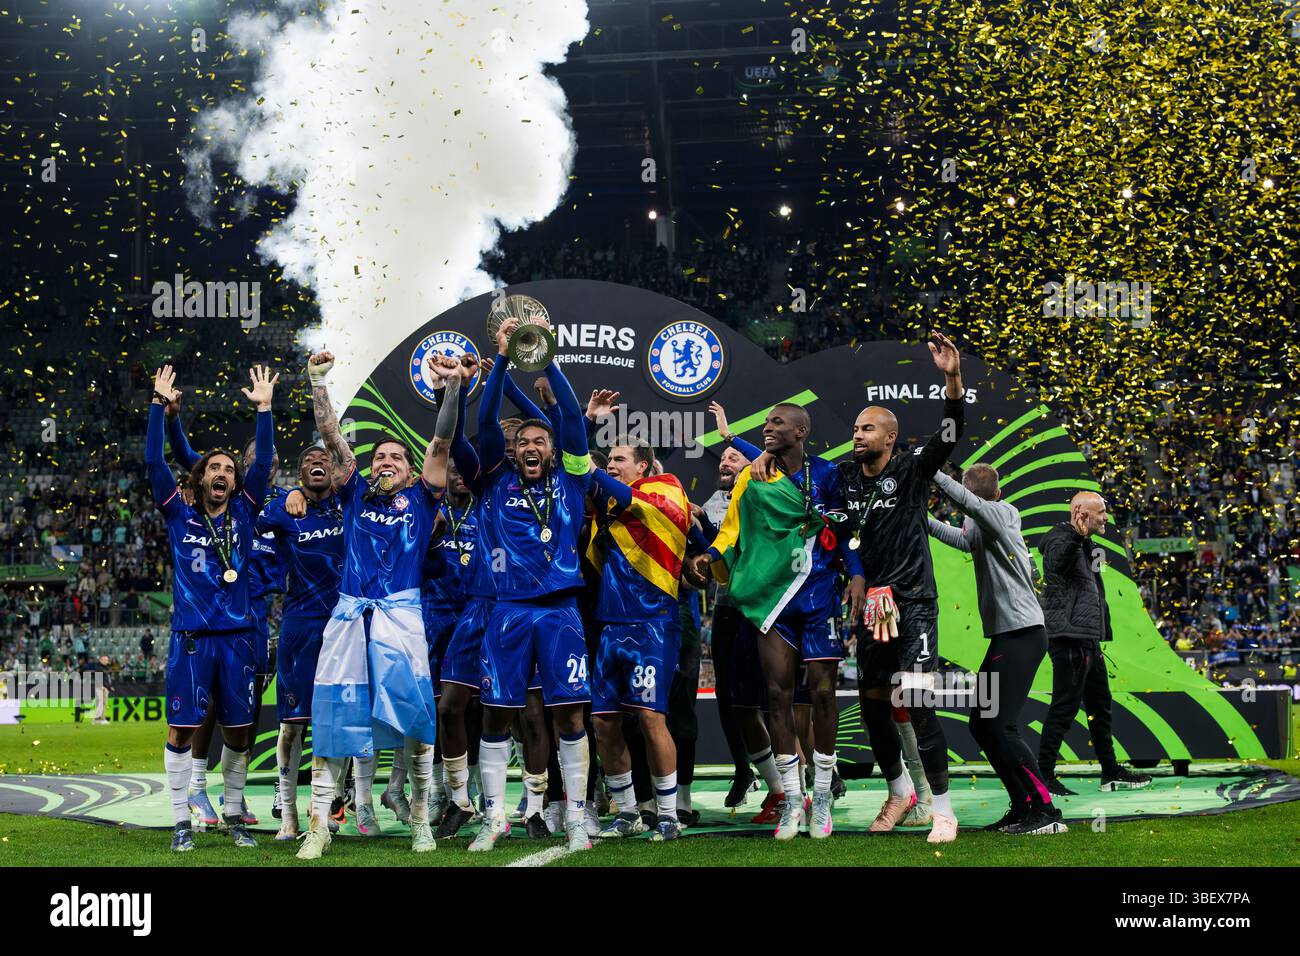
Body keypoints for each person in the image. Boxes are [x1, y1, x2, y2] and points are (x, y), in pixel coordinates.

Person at [292, 350, 463, 859]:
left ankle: (419, 821)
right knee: (331, 718)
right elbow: (331, 436)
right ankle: (319, 824)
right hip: (348, 616)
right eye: (379, 457)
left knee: (415, 720)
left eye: (396, 458)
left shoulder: (424, 497)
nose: (385, 462)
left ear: (413, 472)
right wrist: (318, 380)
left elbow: (443, 439)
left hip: (402, 617)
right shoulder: (354, 494)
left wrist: (452, 389)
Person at [689, 404, 865, 840]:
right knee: (776, 698)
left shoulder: (826, 474)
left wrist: (857, 572)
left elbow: (844, 530)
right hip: (773, 597)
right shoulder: (754, 476)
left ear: (801, 431)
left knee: (823, 695)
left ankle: (822, 793)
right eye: (765, 425)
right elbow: (731, 530)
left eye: (776, 424)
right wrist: (710, 555)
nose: (768, 430)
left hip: (819, 594)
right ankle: (791, 798)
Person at [468, 316, 595, 853]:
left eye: (541, 440)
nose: (533, 446)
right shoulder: (495, 481)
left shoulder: (573, 476)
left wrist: (545, 354)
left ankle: (575, 817)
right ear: (515, 451)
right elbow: (487, 417)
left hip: (563, 610)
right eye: (525, 441)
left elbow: (570, 413)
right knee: (498, 711)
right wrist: (501, 358)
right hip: (509, 611)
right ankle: (495, 818)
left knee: (569, 712)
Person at [839, 330, 966, 843]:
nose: (858, 434)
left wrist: (952, 378)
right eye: (855, 427)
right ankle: (898, 791)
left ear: (890, 437)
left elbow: (952, 434)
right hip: (873, 607)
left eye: (868, 428)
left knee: (916, 700)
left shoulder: (913, 471)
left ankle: (944, 809)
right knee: (872, 701)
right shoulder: (846, 478)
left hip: (913, 603)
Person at [146, 364, 277, 853]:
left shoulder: (244, 510)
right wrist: (159, 408)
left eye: (228, 468)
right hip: (193, 638)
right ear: (199, 480)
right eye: (214, 468)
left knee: (239, 731)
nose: (223, 473)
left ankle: (234, 815)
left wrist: (264, 410)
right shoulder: (178, 513)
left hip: (240, 637)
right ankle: (181, 819)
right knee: (182, 728)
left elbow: (261, 464)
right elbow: (155, 464)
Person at [926, 465, 1066, 835]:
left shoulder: (1003, 514)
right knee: (982, 723)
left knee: (999, 724)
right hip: (1010, 634)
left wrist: (935, 476)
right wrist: (918, 516)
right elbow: (959, 537)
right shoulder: (981, 526)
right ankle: (1022, 806)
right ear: (997, 490)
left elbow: (969, 506)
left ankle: (1046, 811)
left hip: (1022, 633)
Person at [587, 442, 691, 842]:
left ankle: (667, 816)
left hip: (652, 625)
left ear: (643, 466)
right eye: (607, 460)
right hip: (611, 624)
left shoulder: (664, 488)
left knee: (651, 719)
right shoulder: (606, 507)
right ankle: (627, 813)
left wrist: (585, 462)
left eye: (619, 460)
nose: (611, 465)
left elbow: (597, 476)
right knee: (604, 722)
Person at [1036, 491, 1152, 794]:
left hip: (1086, 638)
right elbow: (1055, 566)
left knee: (1100, 707)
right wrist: (1077, 535)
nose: (1106, 516)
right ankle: (1043, 776)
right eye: (1100, 511)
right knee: (1064, 707)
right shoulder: (1062, 538)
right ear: (1080, 513)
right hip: (1070, 637)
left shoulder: (1082, 542)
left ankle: (1110, 772)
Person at [255, 445, 345, 840]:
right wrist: (286, 494)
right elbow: (251, 508)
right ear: (299, 473)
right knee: (292, 726)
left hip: (344, 626)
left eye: (323, 460)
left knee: (337, 724)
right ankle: (289, 814)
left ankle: (326, 808)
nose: (316, 464)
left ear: (334, 469)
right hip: (299, 625)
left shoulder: (350, 503)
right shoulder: (285, 508)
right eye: (307, 461)